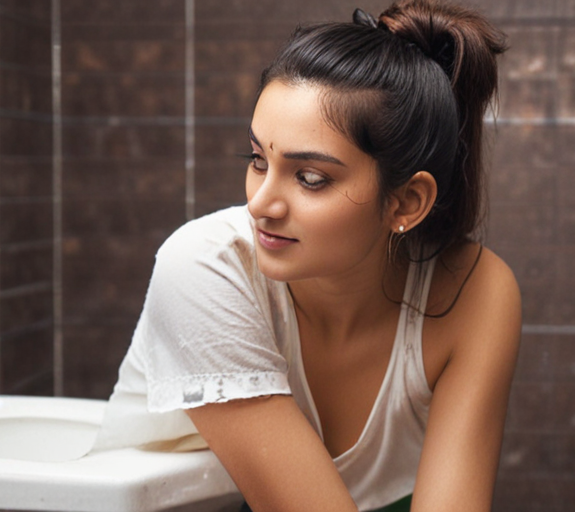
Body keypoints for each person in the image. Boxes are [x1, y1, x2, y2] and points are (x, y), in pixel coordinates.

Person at [96, 1, 520, 511]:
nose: (260, 204)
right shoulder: (204, 266)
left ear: (407, 202)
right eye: (258, 160)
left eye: (310, 178)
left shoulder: (475, 290)